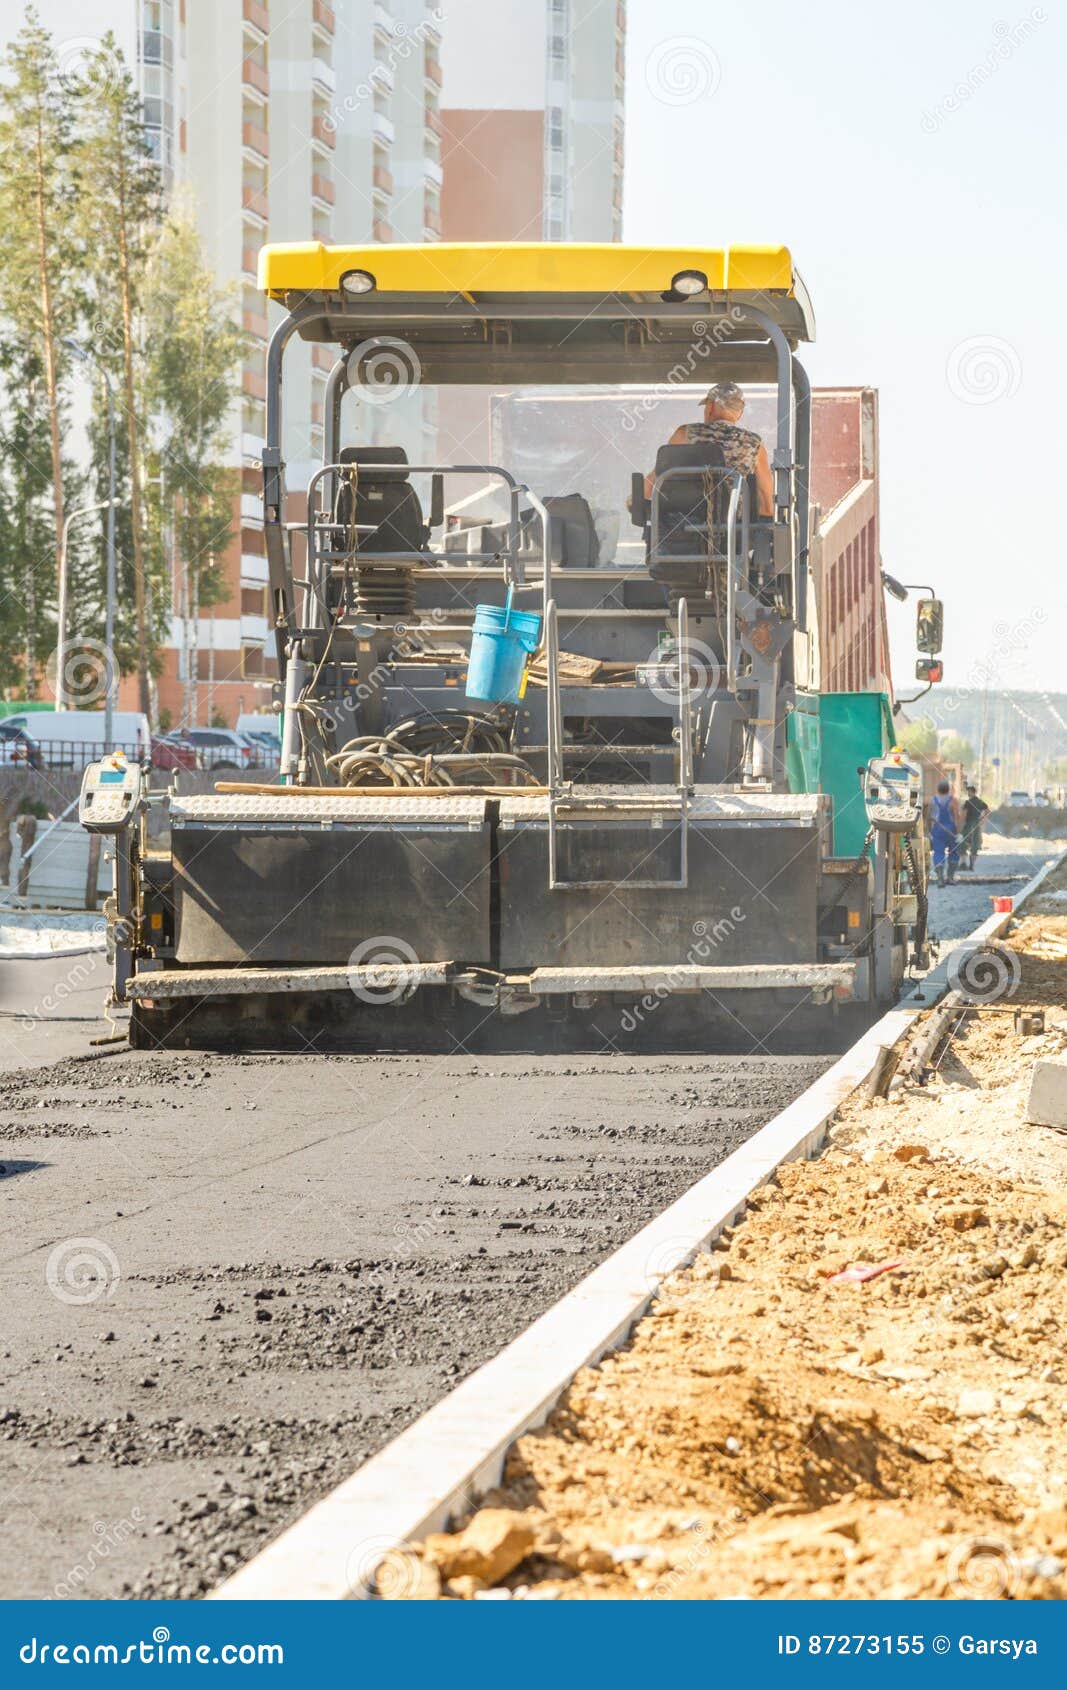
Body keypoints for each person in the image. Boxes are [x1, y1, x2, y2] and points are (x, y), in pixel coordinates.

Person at [644, 382, 775, 516]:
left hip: (683, 525)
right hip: (735, 530)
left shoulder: (685, 433)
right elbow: (768, 503)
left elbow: (655, 480)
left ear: (710, 407)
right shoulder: (754, 443)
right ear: (739, 414)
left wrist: (633, 500)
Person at [929, 780, 962, 887]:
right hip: (950, 830)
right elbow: (956, 817)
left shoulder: (933, 800)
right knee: (954, 852)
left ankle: (940, 879)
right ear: (948, 789)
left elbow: (928, 817)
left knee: (938, 853)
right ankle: (950, 878)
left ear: (938, 789)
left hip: (937, 830)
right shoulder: (953, 801)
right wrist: (958, 833)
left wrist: (928, 831)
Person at [961, 783, 989, 871]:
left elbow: (964, 815)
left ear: (972, 792)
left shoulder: (967, 802)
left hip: (968, 825)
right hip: (977, 825)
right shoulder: (980, 801)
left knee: (963, 843)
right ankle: (972, 865)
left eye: (969, 792)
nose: (968, 793)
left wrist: (960, 825)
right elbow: (987, 810)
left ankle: (964, 863)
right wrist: (982, 819)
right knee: (975, 844)